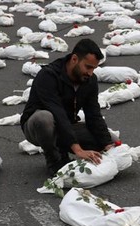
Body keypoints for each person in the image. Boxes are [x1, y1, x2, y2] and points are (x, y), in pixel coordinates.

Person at [21, 39, 114, 177]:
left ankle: (64, 148)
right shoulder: (48, 76)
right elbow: (57, 112)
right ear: (74, 59)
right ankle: (55, 161)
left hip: (68, 126)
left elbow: (93, 114)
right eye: (88, 67)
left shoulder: (90, 81)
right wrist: (77, 149)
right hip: (38, 127)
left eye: (93, 68)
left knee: (111, 139)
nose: (90, 73)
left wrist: (108, 145)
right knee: (44, 118)